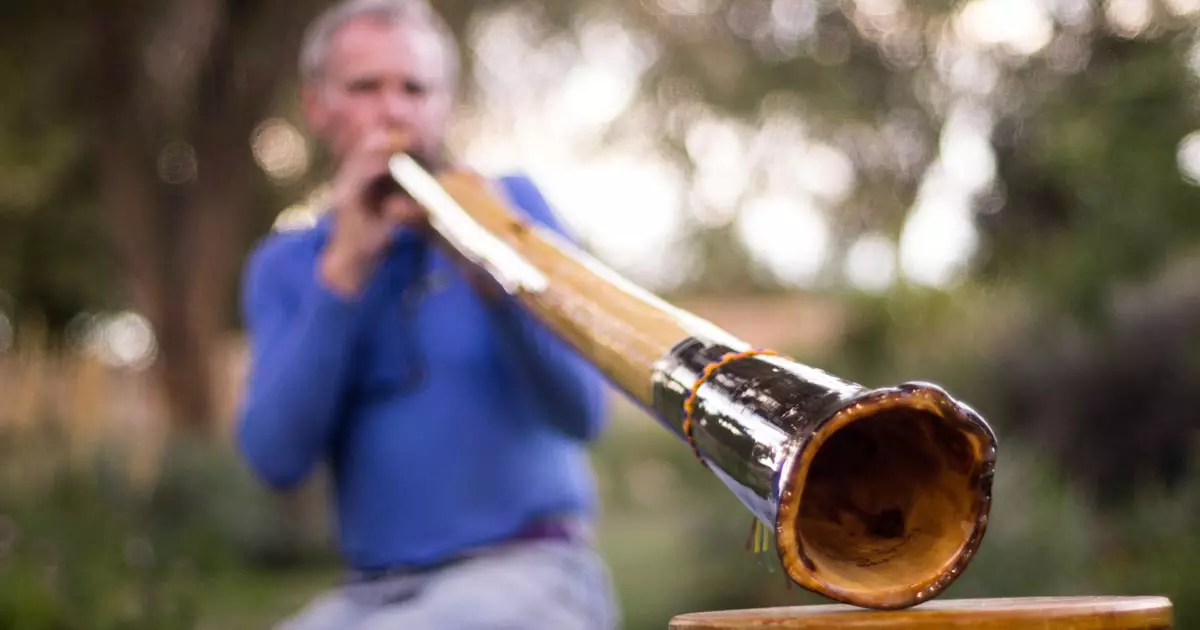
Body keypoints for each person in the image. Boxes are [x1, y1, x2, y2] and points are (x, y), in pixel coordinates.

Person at [235, 0, 619, 627]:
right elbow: (276, 461)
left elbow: (583, 411)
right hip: (371, 593)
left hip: (533, 572)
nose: (394, 110)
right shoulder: (287, 265)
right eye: (366, 87)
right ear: (318, 108)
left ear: (445, 105)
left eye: (415, 88)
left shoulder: (513, 208)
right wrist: (342, 275)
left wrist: (495, 270)